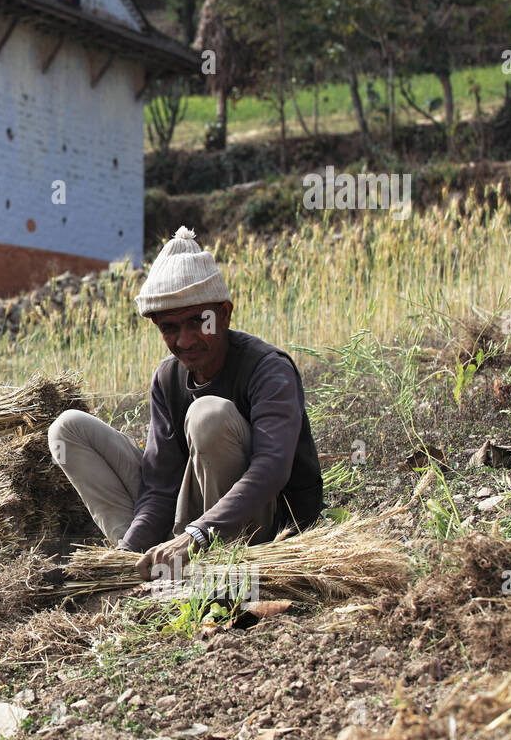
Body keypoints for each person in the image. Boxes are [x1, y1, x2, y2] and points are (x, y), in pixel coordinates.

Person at [47, 226, 323, 581]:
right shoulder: (168, 378)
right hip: (192, 521)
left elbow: (272, 467)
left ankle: (208, 558)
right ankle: (139, 565)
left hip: (259, 526)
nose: (185, 340)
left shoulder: (267, 369)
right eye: (169, 328)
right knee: (67, 429)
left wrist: (197, 534)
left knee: (208, 414)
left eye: (198, 321)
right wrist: (131, 548)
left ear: (223, 313)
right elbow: (160, 484)